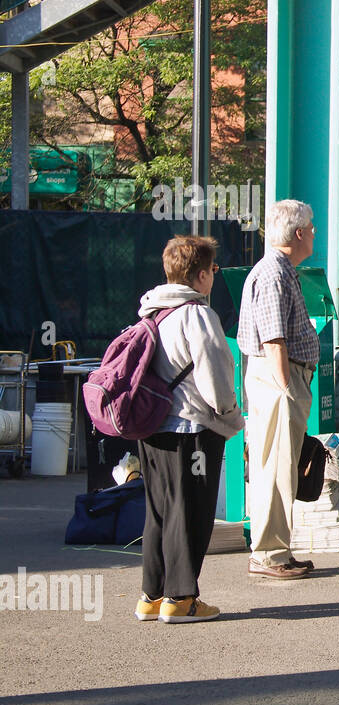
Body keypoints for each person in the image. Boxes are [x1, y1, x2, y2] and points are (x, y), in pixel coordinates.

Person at [135, 236, 244, 622]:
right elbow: (215, 374)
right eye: (213, 270)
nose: (214, 276)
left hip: (152, 427)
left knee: (160, 511)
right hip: (192, 427)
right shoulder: (198, 315)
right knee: (192, 511)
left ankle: (152, 595)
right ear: (201, 275)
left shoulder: (151, 312)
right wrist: (230, 413)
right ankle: (182, 598)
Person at [237, 198, 320, 580]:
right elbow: (273, 340)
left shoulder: (281, 270)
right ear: (299, 232)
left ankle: (277, 550)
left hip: (280, 377)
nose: (315, 233)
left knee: (281, 467)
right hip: (277, 379)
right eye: (312, 226)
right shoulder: (273, 273)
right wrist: (287, 387)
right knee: (274, 467)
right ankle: (269, 554)